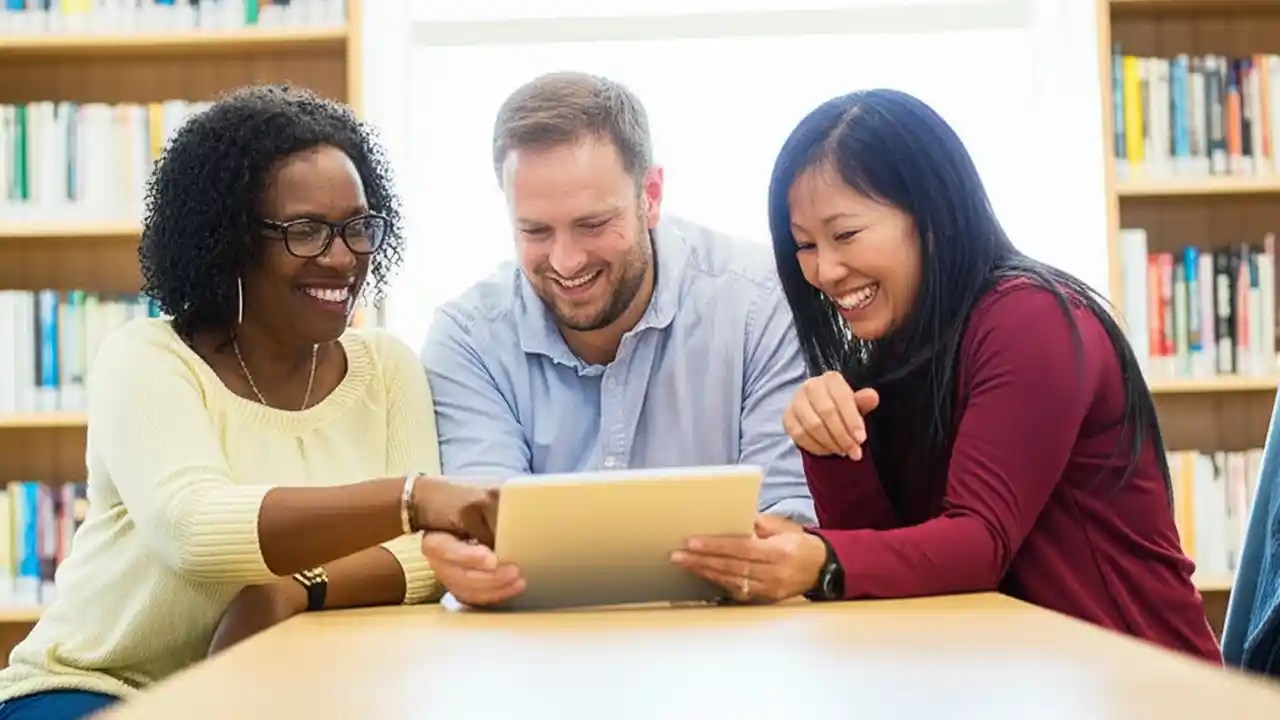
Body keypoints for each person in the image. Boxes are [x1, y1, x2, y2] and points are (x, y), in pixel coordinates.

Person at [671, 88, 1223, 663]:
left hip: (1143, 685)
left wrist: (820, 559)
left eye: (846, 235)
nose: (824, 271)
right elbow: (888, 572)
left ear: (931, 218)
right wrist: (831, 445)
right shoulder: (892, 350)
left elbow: (979, 543)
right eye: (805, 245)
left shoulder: (1031, 318)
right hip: (1009, 681)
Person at [0, 85, 498, 720]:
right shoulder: (148, 359)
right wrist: (411, 498)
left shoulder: (388, 368)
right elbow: (196, 528)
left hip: (276, 694)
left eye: (357, 228)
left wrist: (294, 592)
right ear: (231, 239)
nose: (342, 257)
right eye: (307, 231)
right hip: (105, 688)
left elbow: (420, 563)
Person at [419, 71, 814, 608]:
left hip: (730, 647)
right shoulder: (467, 338)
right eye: (535, 231)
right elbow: (488, 530)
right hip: (536, 656)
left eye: (591, 224)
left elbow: (787, 522)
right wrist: (470, 564)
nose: (565, 261)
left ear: (649, 195)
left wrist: (782, 554)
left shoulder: (760, 302)